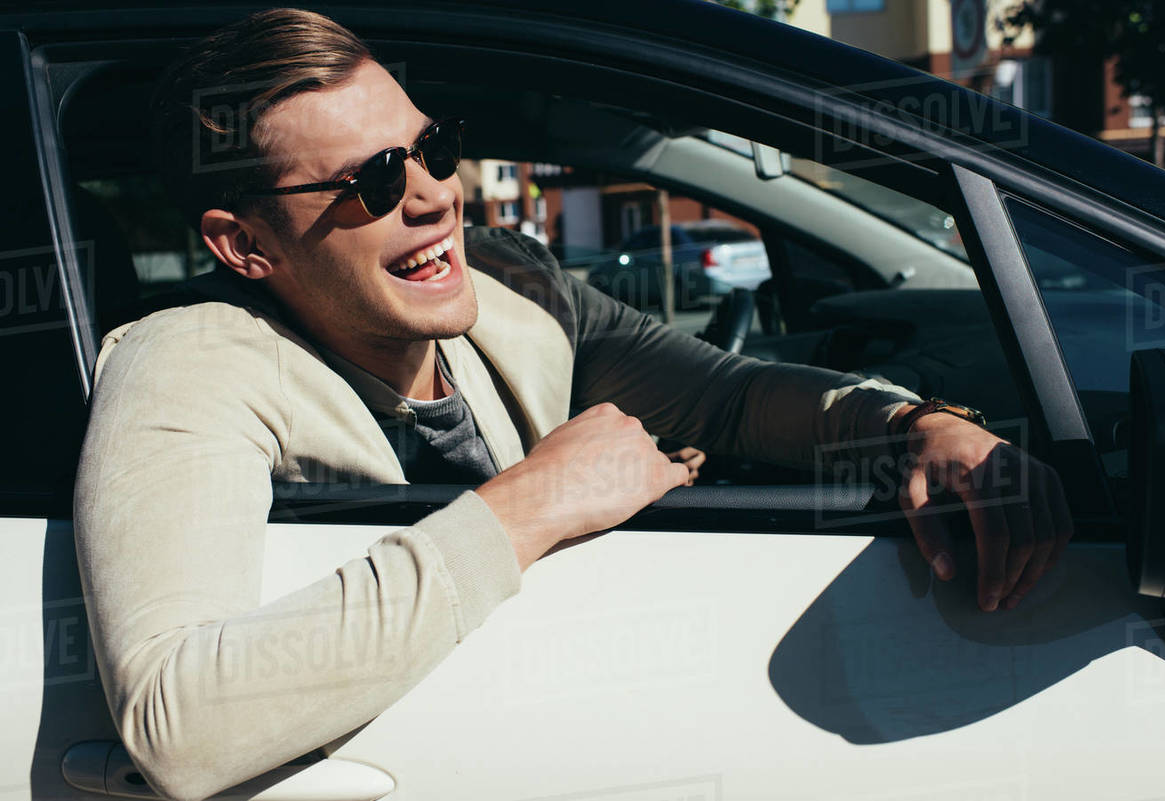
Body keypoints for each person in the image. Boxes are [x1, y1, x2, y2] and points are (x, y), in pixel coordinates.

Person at [74, 8, 1072, 801]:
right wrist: (535, 501)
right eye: (373, 182)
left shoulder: (517, 288)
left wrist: (914, 426)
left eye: (431, 147)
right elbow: (177, 722)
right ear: (246, 245)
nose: (432, 195)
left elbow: (729, 400)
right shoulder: (186, 362)